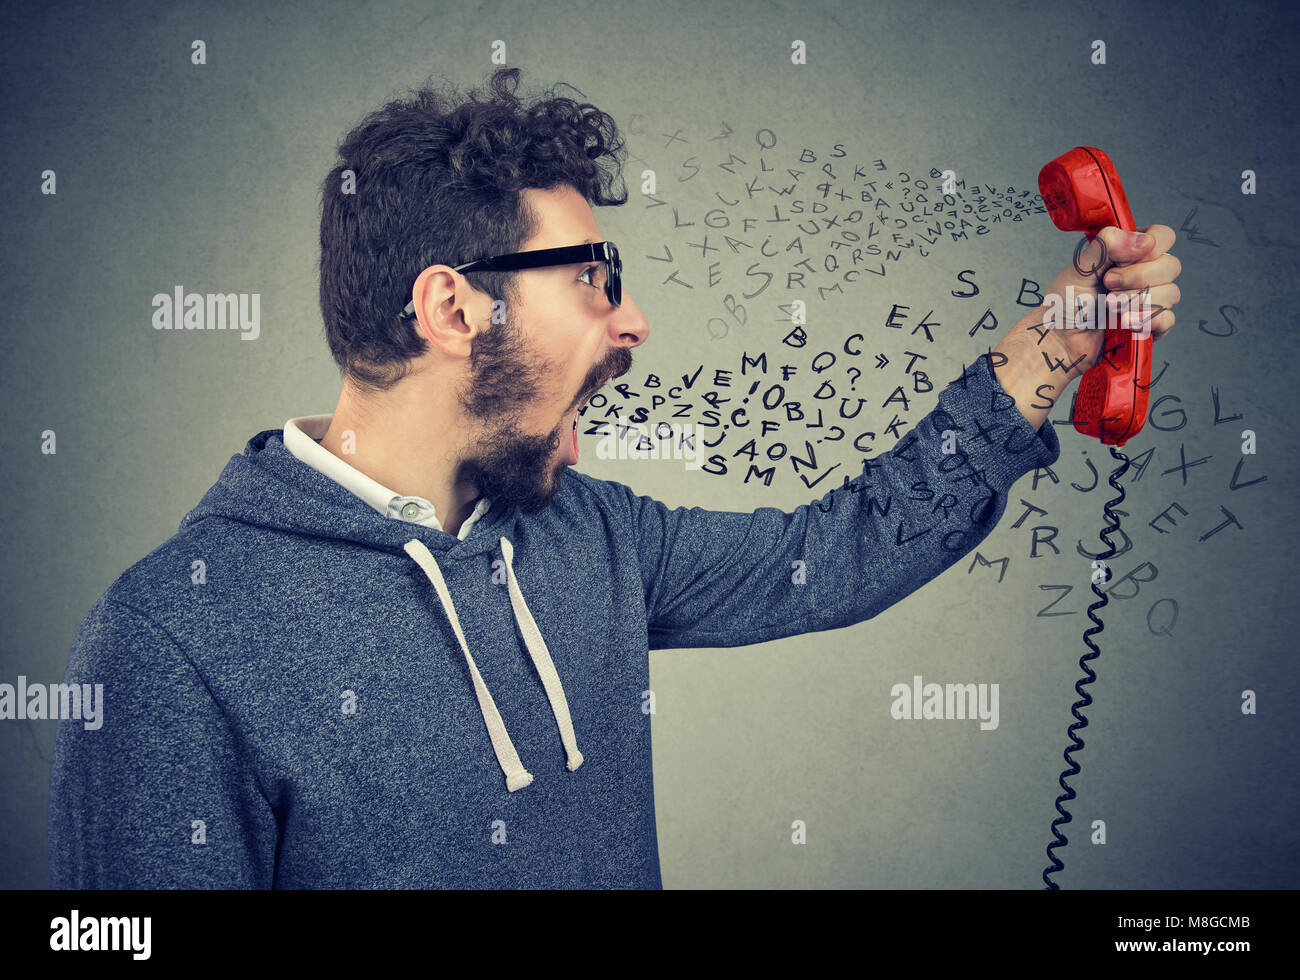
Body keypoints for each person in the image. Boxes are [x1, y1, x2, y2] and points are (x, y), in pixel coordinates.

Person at [47, 67, 1181, 888]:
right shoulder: (167, 642)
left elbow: (842, 548)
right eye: (594, 279)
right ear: (454, 307)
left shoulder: (592, 536)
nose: (633, 319)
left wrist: (1060, 345)